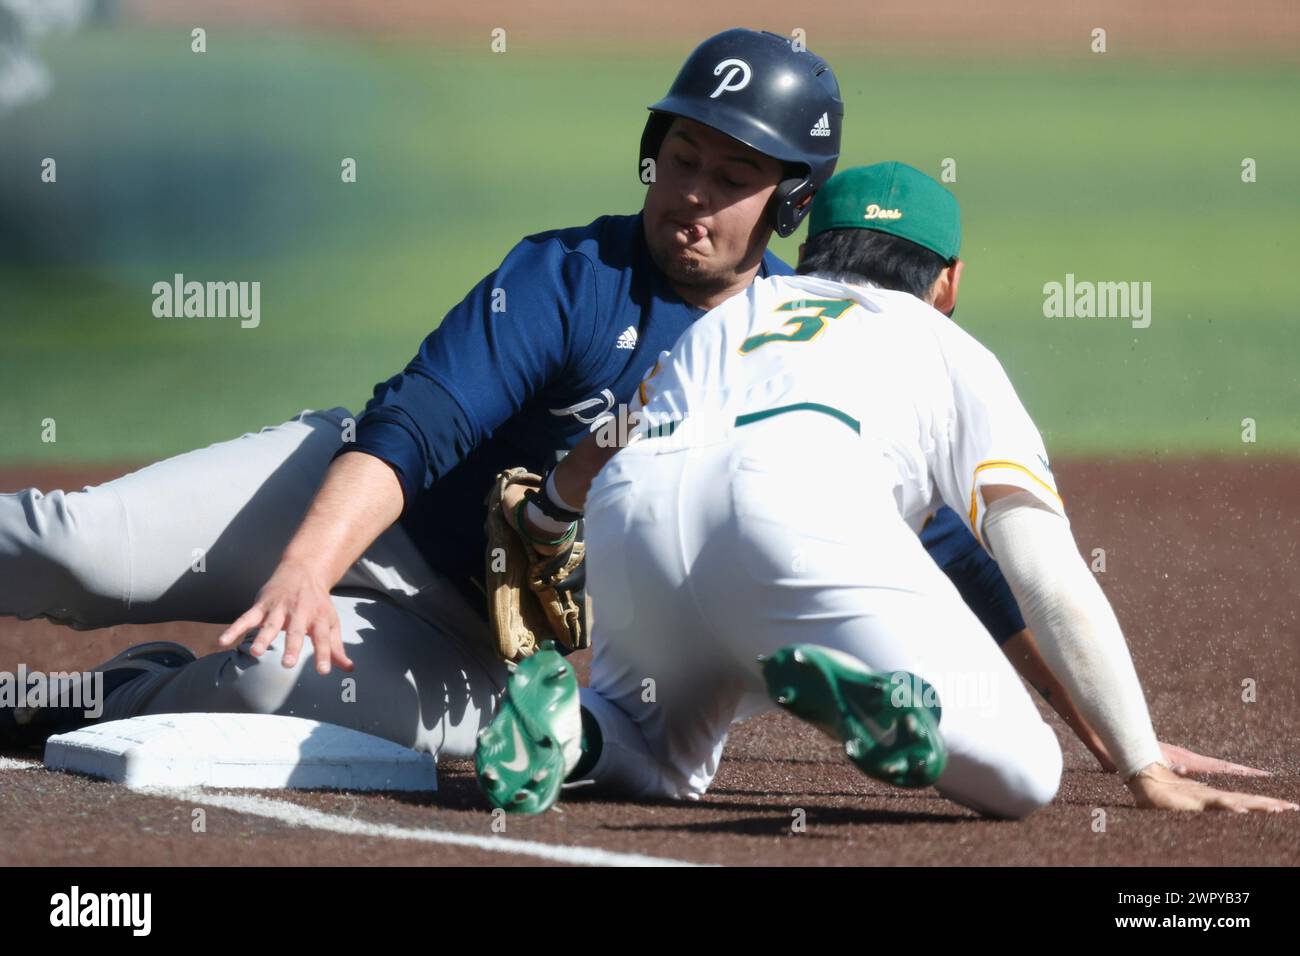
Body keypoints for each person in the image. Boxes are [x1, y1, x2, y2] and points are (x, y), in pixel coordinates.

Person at [476, 163, 1297, 817]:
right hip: (795, 515)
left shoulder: (735, 313)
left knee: (658, 755)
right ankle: (883, 701)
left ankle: (571, 728)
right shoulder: (947, 347)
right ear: (949, 282)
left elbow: (612, 441)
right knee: (1029, 775)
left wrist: (550, 512)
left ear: (817, 249)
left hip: (638, 515)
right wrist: (1144, 763)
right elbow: (1042, 574)